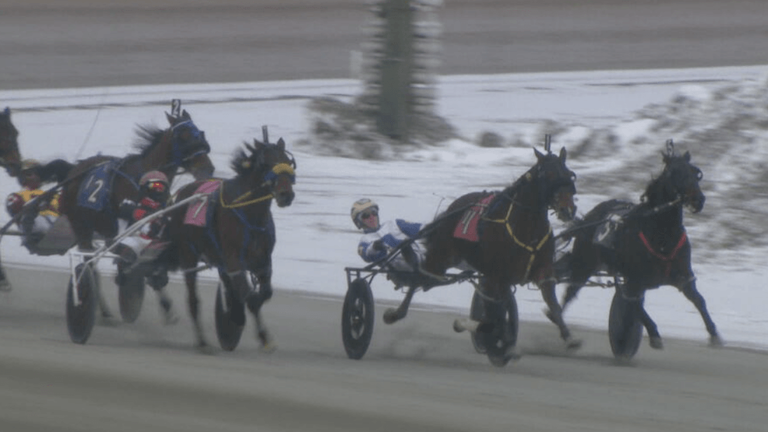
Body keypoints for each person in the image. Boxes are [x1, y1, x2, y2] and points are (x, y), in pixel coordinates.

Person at [351, 198, 425, 280]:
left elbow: (419, 228)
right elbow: (367, 255)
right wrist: (375, 247)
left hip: (421, 256)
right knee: (394, 244)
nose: (372, 217)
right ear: (358, 222)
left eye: (374, 212)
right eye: (366, 215)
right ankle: (411, 258)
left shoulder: (393, 223)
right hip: (400, 270)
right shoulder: (365, 241)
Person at [4, 159, 61, 251]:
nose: (35, 177)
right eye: (29, 174)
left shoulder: (54, 194)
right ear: (22, 177)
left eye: (38, 174)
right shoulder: (16, 196)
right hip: (34, 229)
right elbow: (18, 214)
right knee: (32, 216)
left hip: (57, 227)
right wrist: (40, 203)